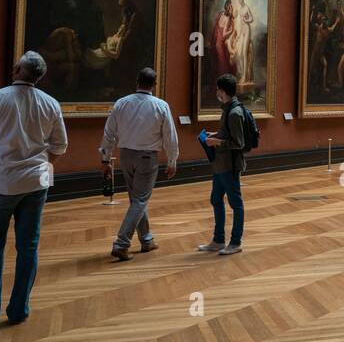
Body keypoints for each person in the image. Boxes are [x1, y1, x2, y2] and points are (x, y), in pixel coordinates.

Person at [0, 51, 68, 326]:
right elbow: (60, 146)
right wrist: (44, 166)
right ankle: (18, 310)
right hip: (37, 182)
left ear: (18, 68)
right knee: (28, 247)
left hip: (2, 182)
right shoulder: (51, 104)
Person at [100, 67, 179, 261]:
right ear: (155, 84)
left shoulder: (121, 103)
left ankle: (146, 239)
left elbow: (109, 133)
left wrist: (105, 158)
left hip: (125, 156)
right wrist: (172, 160)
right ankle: (121, 243)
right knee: (140, 200)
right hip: (146, 158)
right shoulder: (161, 105)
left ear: (137, 81)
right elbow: (170, 136)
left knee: (137, 199)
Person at [198, 74, 247, 255]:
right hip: (220, 164)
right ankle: (218, 240)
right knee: (216, 199)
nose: (217, 92)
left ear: (223, 91)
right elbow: (228, 134)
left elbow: (239, 143)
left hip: (229, 165)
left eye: (218, 89)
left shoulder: (234, 113)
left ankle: (235, 242)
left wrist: (217, 142)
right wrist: (215, 134)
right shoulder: (227, 109)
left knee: (236, 204)